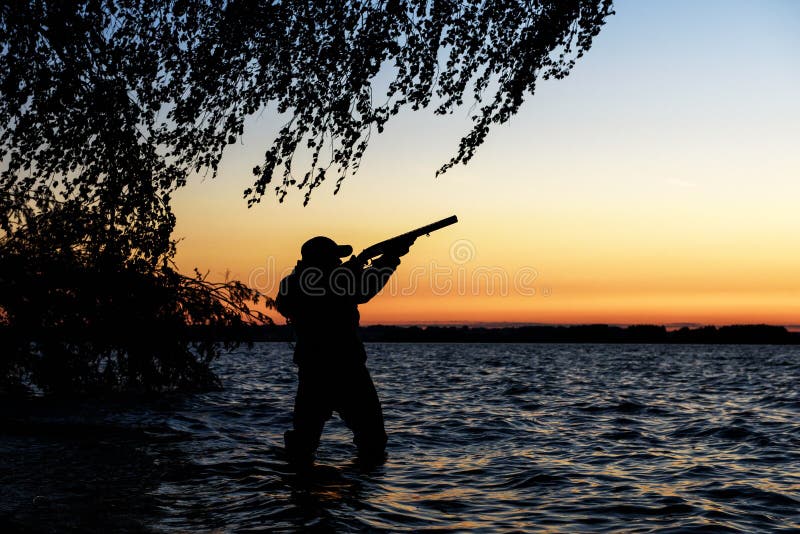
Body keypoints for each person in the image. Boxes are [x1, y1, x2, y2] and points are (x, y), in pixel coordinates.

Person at [275, 235, 411, 467]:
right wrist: (389, 259)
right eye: (334, 258)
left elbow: (356, 287)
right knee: (369, 437)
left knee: (306, 440)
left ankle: (304, 491)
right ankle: (361, 493)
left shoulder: (298, 282)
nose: (339, 262)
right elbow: (362, 290)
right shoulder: (299, 283)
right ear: (321, 260)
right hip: (345, 370)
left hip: (316, 369)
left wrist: (384, 260)